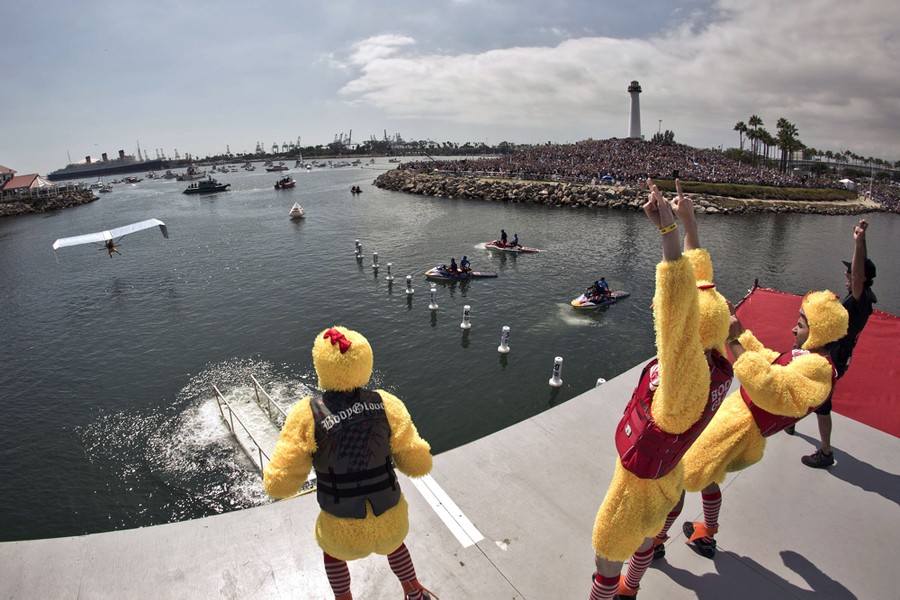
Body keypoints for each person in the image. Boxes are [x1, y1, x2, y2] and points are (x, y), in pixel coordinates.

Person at [589, 179, 733, 599]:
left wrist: (669, 235)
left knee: (606, 554)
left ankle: (614, 593)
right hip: (671, 472)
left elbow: (675, 307)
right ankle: (632, 590)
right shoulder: (714, 360)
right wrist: (689, 225)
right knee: (650, 536)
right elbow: (700, 285)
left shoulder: (683, 375)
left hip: (637, 485)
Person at [652, 289, 848, 560]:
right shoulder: (809, 359)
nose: (794, 329)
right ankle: (707, 532)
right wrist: (741, 330)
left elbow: (769, 388)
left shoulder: (819, 373)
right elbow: (768, 360)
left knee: (679, 477)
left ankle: (656, 541)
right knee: (708, 476)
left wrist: (734, 341)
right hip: (738, 419)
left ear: (820, 333)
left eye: (801, 326)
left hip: (739, 428)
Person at [263, 327, 436, 600]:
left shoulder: (307, 414)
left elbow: (281, 482)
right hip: (389, 518)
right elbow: (417, 463)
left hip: (341, 528)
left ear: (321, 364)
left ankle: (344, 598)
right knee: (396, 545)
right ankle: (413, 590)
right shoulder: (385, 402)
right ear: (365, 362)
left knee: (332, 554)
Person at [799, 219, 876, 468]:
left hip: (837, 355)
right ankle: (792, 421)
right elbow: (858, 273)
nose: (847, 273)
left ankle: (825, 452)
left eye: (850, 272)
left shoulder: (860, 297)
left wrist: (860, 241)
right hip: (836, 352)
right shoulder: (862, 297)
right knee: (805, 384)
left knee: (822, 402)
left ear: (861, 279)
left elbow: (858, 274)